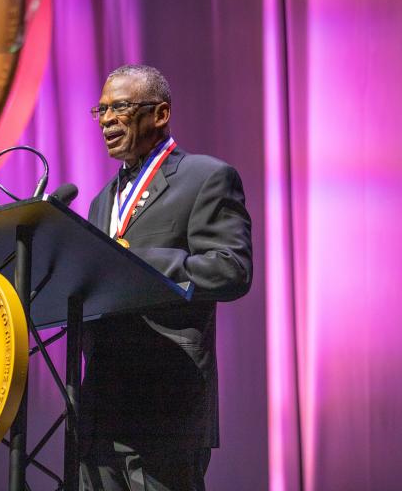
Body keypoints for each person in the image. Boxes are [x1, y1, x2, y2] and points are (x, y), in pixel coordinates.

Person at [81, 65, 253, 491]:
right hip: (102, 406)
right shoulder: (102, 200)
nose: (105, 120)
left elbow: (232, 268)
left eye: (119, 107)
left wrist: (141, 262)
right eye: (100, 110)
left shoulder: (206, 177)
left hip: (167, 403)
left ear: (159, 113)